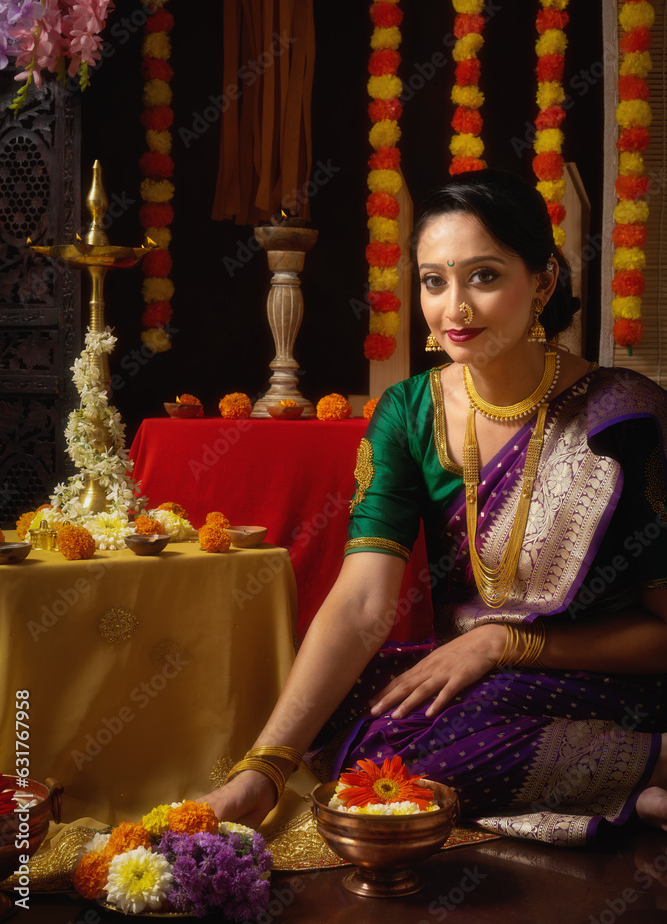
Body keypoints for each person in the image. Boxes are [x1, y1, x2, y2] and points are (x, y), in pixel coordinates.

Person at [198, 168, 667, 846]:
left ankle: (644, 767)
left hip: (604, 681)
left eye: (482, 276)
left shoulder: (623, 418)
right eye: (432, 281)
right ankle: (631, 791)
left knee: (412, 774)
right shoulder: (407, 413)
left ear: (541, 281)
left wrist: (504, 641)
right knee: (361, 751)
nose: (455, 309)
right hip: (476, 680)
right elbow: (362, 604)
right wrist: (263, 770)